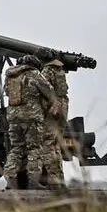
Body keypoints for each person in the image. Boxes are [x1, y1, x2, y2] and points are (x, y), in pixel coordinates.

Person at [1, 54, 58, 190]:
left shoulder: (10, 75)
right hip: (31, 118)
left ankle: (10, 181)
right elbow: (49, 91)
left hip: (13, 117)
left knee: (16, 148)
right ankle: (33, 182)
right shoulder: (34, 74)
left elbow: (7, 92)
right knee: (34, 148)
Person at [37, 56, 69, 189]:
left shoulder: (47, 71)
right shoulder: (60, 70)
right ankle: (60, 180)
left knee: (48, 144)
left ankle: (54, 181)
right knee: (56, 145)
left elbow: (45, 90)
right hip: (63, 107)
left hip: (53, 109)